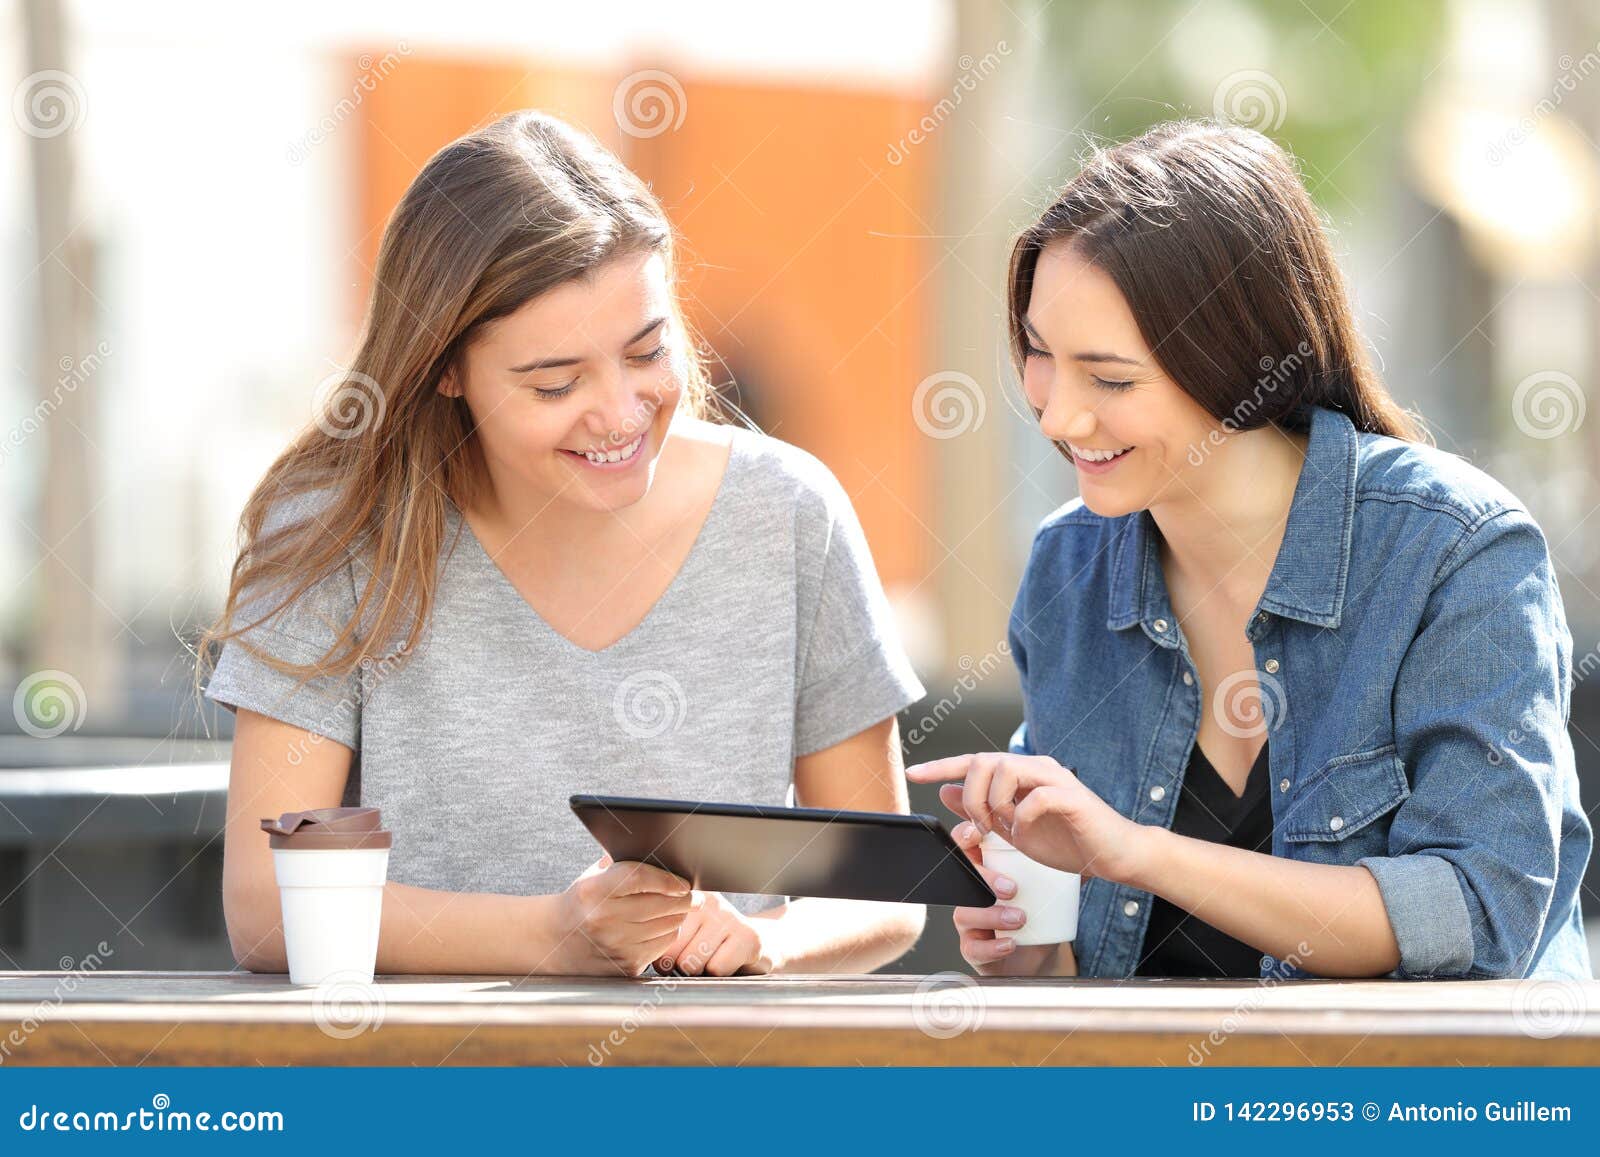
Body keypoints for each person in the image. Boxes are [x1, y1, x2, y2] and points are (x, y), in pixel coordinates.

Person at [200, 110, 926, 979]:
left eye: (647, 350)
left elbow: (885, 889)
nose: (620, 414)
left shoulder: (791, 513)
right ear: (445, 370)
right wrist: (556, 935)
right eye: (555, 382)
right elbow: (267, 905)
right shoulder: (339, 530)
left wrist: (766, 940)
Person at [908, 120, 1591, 981]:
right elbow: (1097, 974)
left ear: (1239, 360)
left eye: (1111, 379)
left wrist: (1135, 851)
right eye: (1041, 356)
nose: (1057, 417)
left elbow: (1477, 912)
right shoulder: (1069, 570)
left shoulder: (1453, 550)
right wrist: (1035, 950)